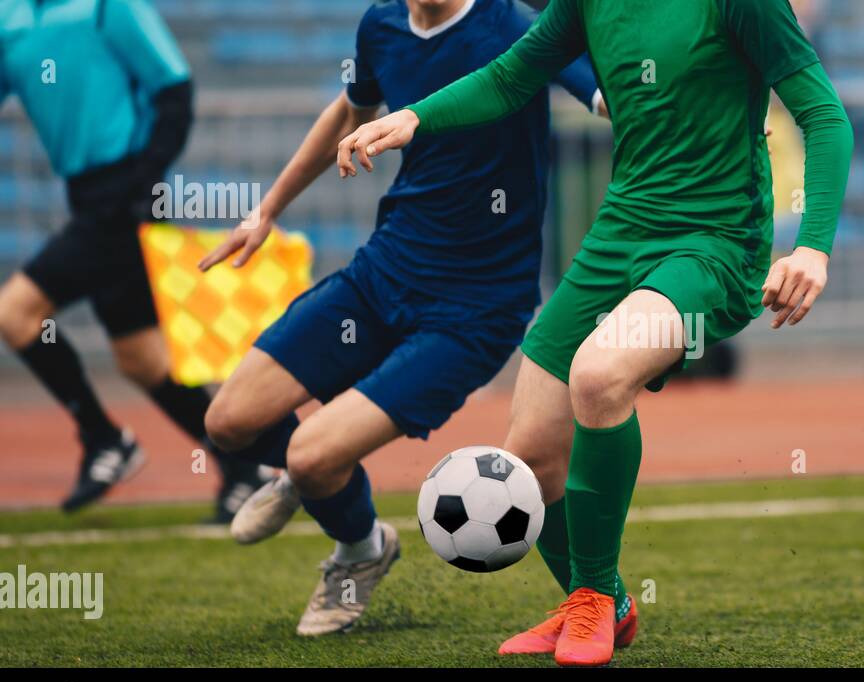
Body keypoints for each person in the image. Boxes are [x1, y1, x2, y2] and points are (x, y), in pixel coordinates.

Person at [337, 0, 853, 665]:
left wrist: (813, 247)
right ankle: (609, 600)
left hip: (714, 242)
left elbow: (823, 113)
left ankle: (587, 602)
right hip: (619, 232)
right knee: (530, 453)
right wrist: (412, 116)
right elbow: (509, 76)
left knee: (600, 376)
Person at [200, 0, 607, 636]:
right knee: (227, 421)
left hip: (474, 311)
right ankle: (314, 479)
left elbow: (606, 97)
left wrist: (705, 113)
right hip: (383, 272)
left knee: (311, 455)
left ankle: (356, 548)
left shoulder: (515, 25)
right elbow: (351, 109)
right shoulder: (381, 26)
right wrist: (268, 206)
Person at [0, 0, 268, 520]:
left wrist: (142, 186)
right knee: (142, 360)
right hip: (84, 197)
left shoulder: (107, 6)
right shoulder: (10, 17)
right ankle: (244, 466)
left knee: (15, 313)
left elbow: (174, 90)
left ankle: (104, 438)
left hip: (123, 200)